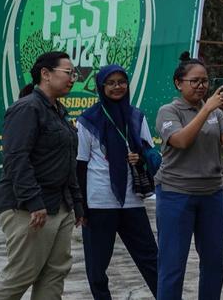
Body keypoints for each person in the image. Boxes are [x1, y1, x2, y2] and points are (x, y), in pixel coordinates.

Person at [0, 51, 85, 300]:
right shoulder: (27, 108)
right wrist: (33, 201)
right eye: (68, 73)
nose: (73, 78)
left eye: (74, 74)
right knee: (21, 274)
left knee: (55, 273)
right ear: (45, 74)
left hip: (60, 205)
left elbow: (68, 161)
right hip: (28, 207)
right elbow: (16, 158)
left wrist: (76, 203)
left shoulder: (59, 111)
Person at [154, 53, 223, 300]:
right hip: (175, 194)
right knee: (172, 265)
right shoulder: (168, 111)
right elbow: (181, 140)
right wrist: (207, 109)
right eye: (195, 81)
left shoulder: (216, 112)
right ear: (178, 83)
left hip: (212, 194)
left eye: (205, 81)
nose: (201, 86)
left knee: (214, 263)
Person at [76, 64, 159, 299]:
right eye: (110, 83)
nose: (117, 87)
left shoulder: (136, 116)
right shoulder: (87, 120)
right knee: (97, 265)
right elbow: (80, 165)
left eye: (121, 82)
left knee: (151, 259)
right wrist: (81, 206)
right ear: (101, 87)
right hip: (99, 202)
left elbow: (149, 153)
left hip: (132, 200)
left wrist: (139, 156)